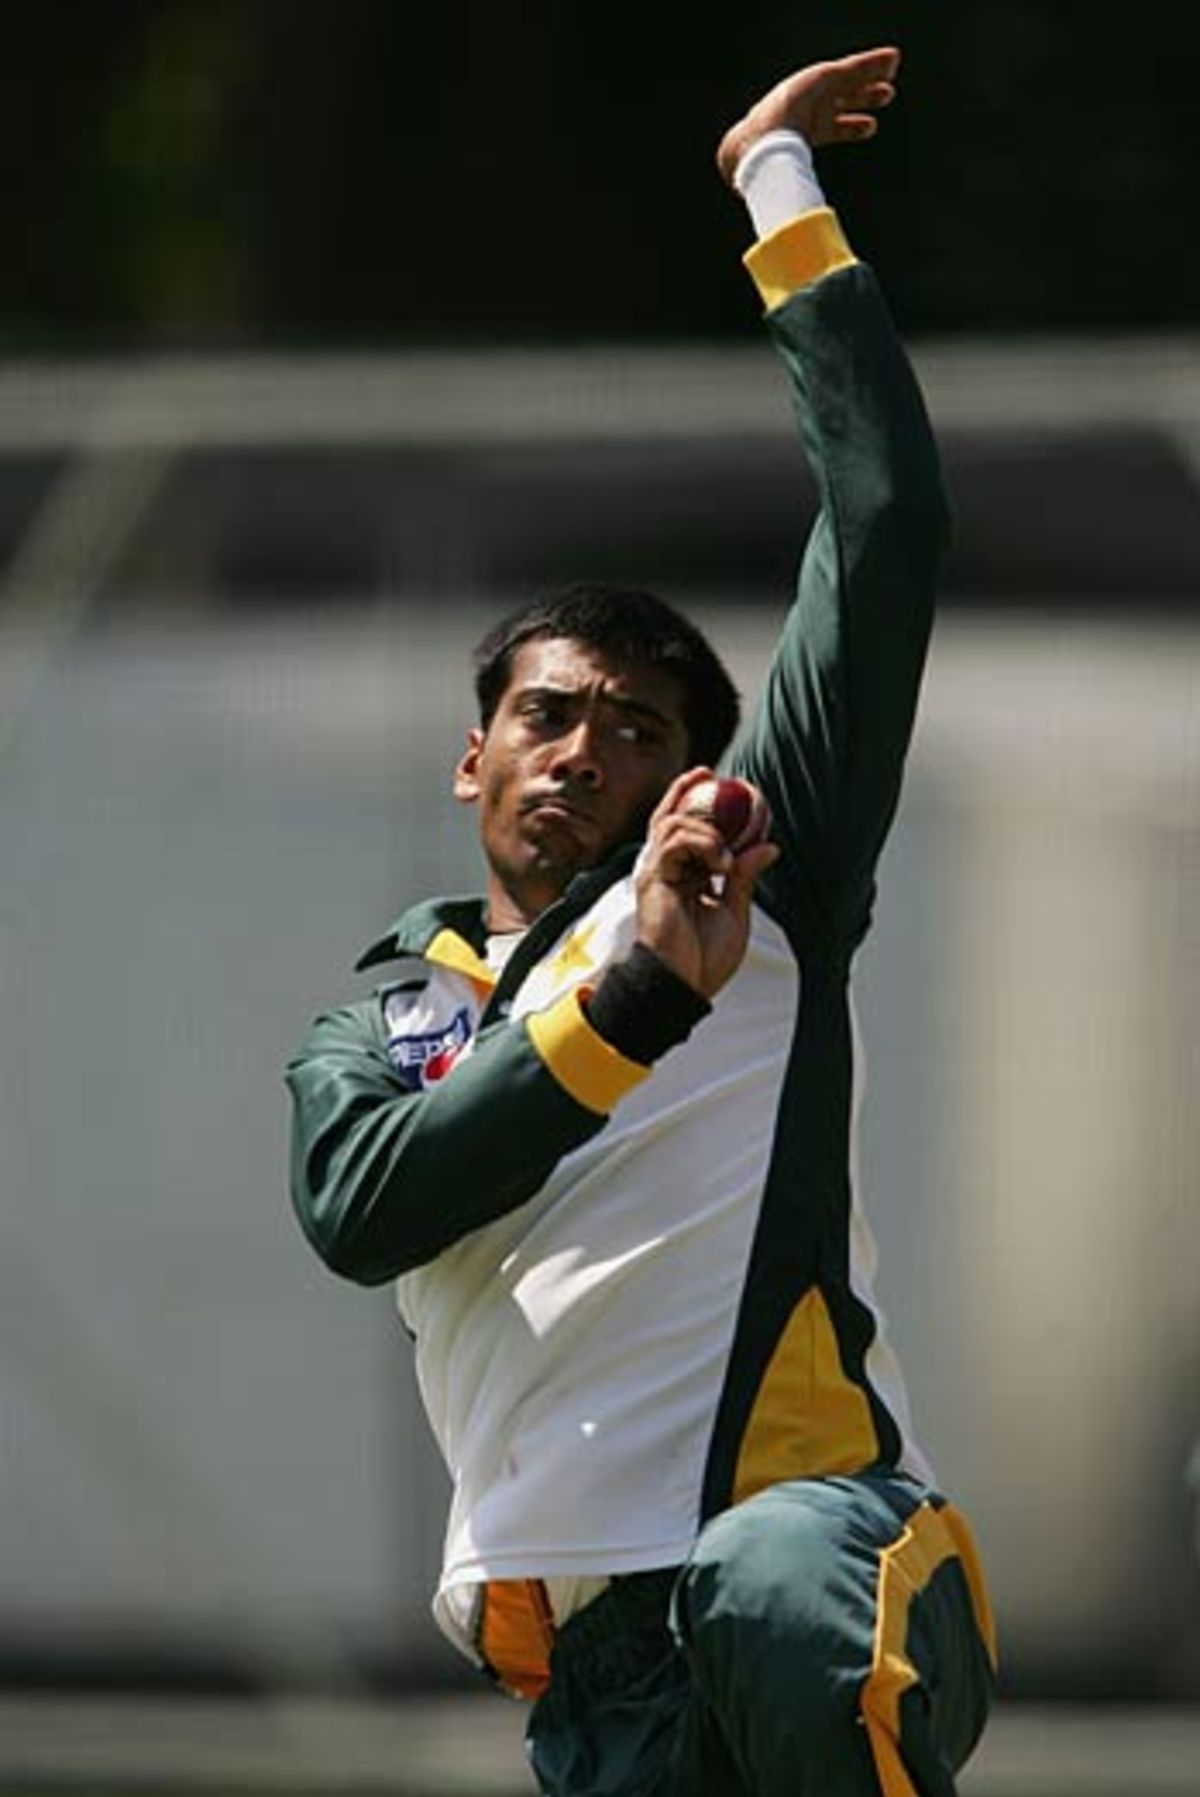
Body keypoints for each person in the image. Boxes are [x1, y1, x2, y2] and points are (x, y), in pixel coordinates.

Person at [287, 43, 997, 1797]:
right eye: (550, 712)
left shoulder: (771, 877)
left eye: (642, 727)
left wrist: (774, 178)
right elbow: (366, 1207)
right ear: (473, 758)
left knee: (772, 1586)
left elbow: (891, 517)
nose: (589, 750)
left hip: (814, 1554)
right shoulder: (387, 1021)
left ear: (699, 765)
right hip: (590, 1671)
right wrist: (629, 1006)